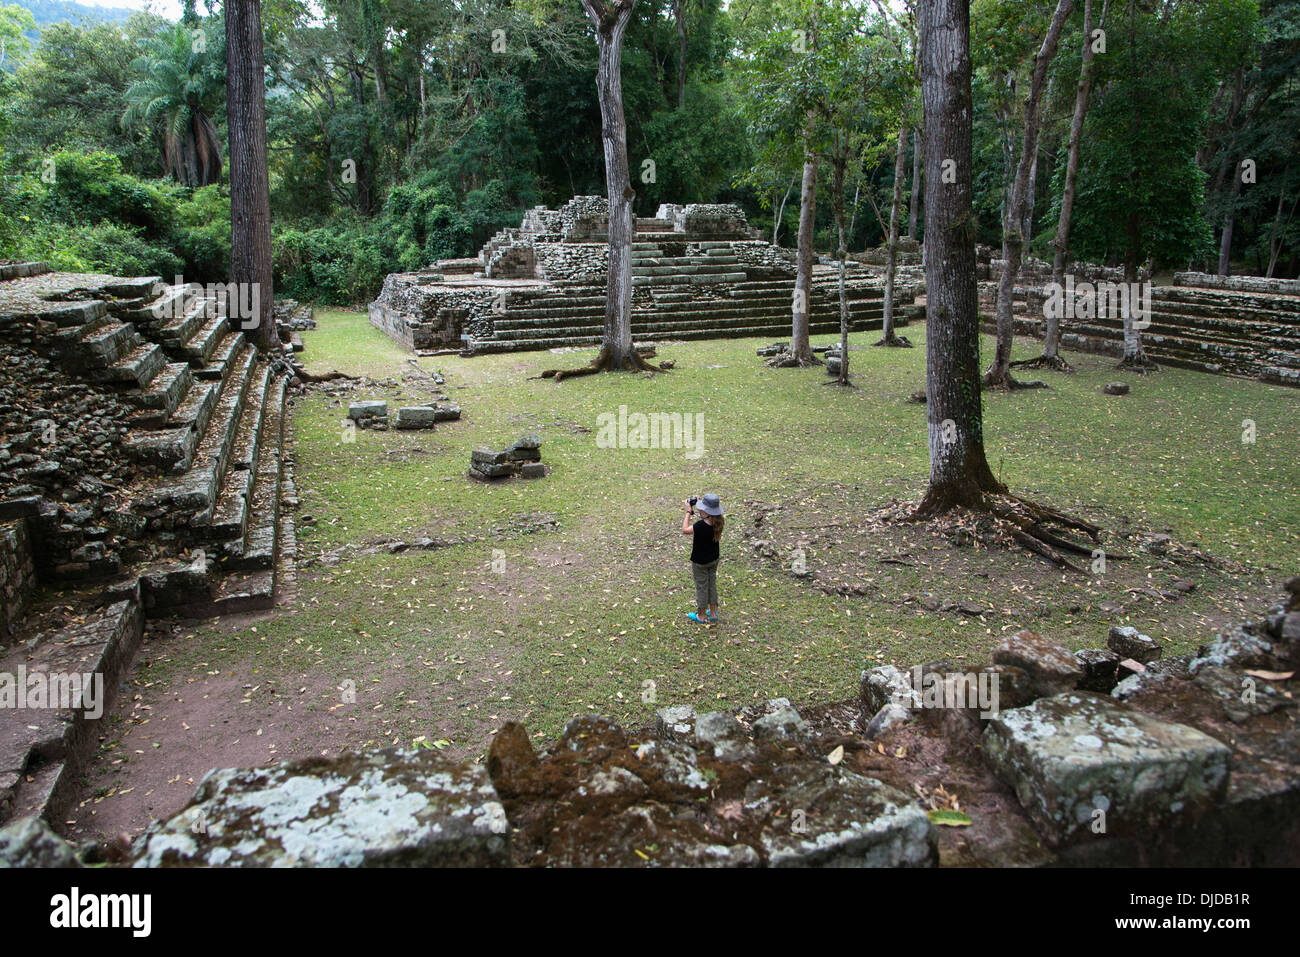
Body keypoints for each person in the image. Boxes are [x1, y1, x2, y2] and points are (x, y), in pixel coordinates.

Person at [681, 493, 724, 624]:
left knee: (702, 587)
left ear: (705, 511)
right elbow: (707, 515)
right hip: (713, 559)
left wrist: (689, 511)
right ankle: (712, 613)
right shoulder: (720, 521)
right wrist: (700, 503)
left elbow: (685, 529)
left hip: (700, 563)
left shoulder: (700, 526)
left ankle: (700, 615)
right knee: (712, 584)